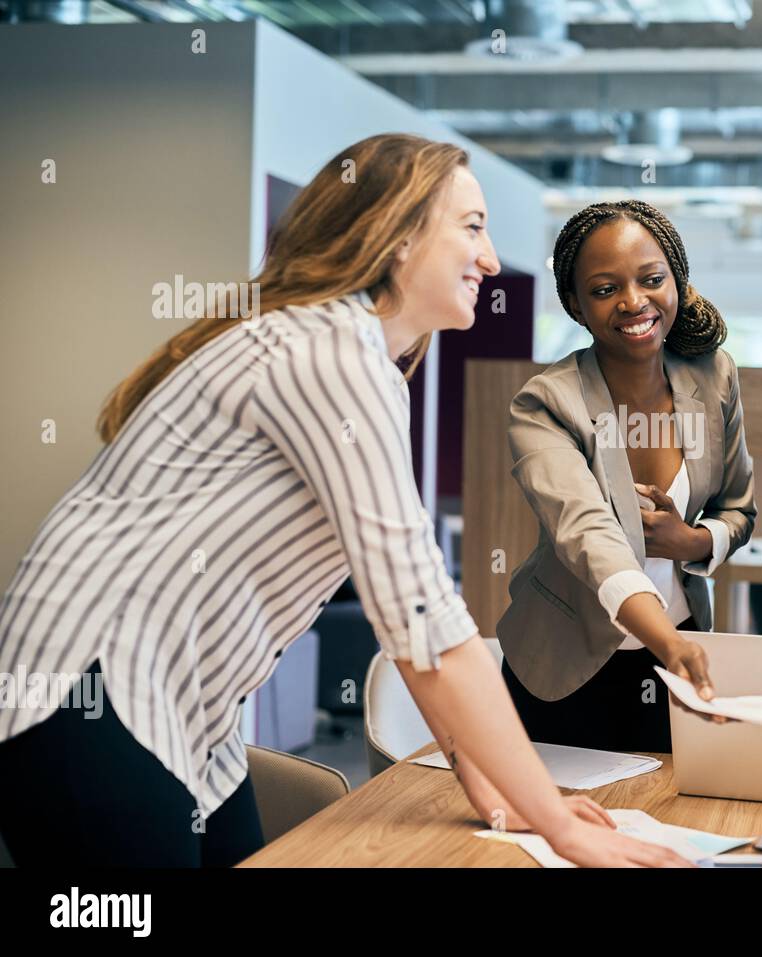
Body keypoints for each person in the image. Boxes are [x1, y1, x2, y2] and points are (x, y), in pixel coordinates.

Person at [0, 135, 688, 868]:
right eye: (474, 227)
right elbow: (424, 621)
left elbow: (411, 616)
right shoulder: (327, 349)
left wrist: (499, 793)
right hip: (94, 692)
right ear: (397, 234)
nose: (490, 261)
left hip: (190, 717)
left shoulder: (365, 368)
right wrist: (558, 822)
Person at [497, 200, 755, 753]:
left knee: (669, 824)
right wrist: (666, 640)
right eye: (604, 288)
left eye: (651, 279)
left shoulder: (714, 376)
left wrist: (693, 541)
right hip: (564, 666)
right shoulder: (545, 404)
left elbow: (739, 509)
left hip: (674, 655)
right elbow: (587, 533)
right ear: (576, 305)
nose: (633, 302)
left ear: (677, 282)